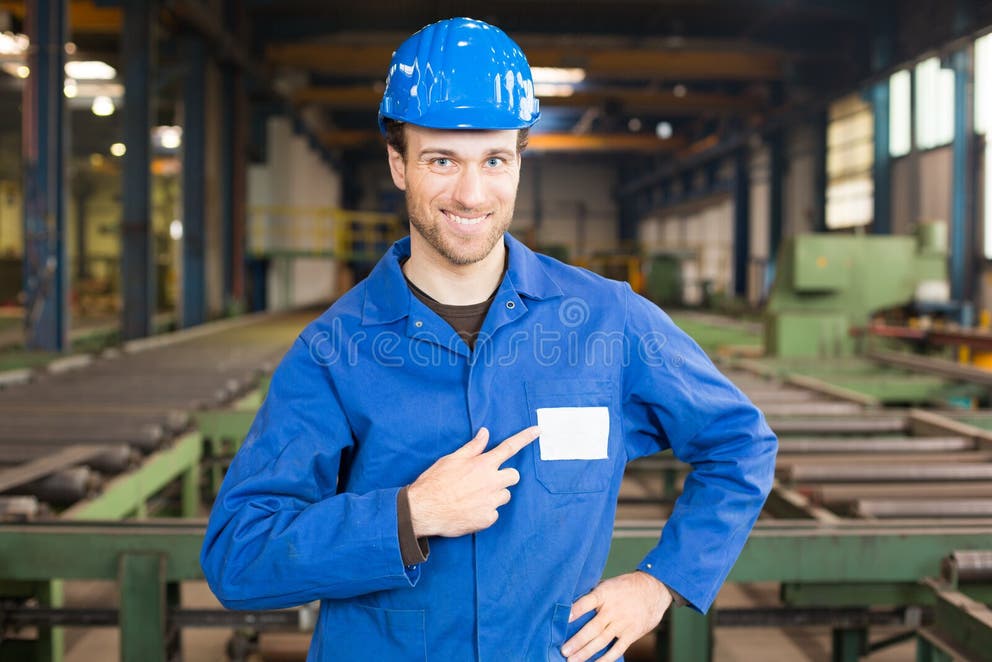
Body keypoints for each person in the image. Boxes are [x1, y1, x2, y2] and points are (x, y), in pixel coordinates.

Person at [201, 17, 777, 662]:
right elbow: (239, 557)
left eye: (494, 160)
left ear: (519, 161)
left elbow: (738, 444)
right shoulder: (335, 350)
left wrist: (661, 581)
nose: (471, 194)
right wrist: (411, 515)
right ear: (398, 164)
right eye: (441, 160)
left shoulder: (607, 320)